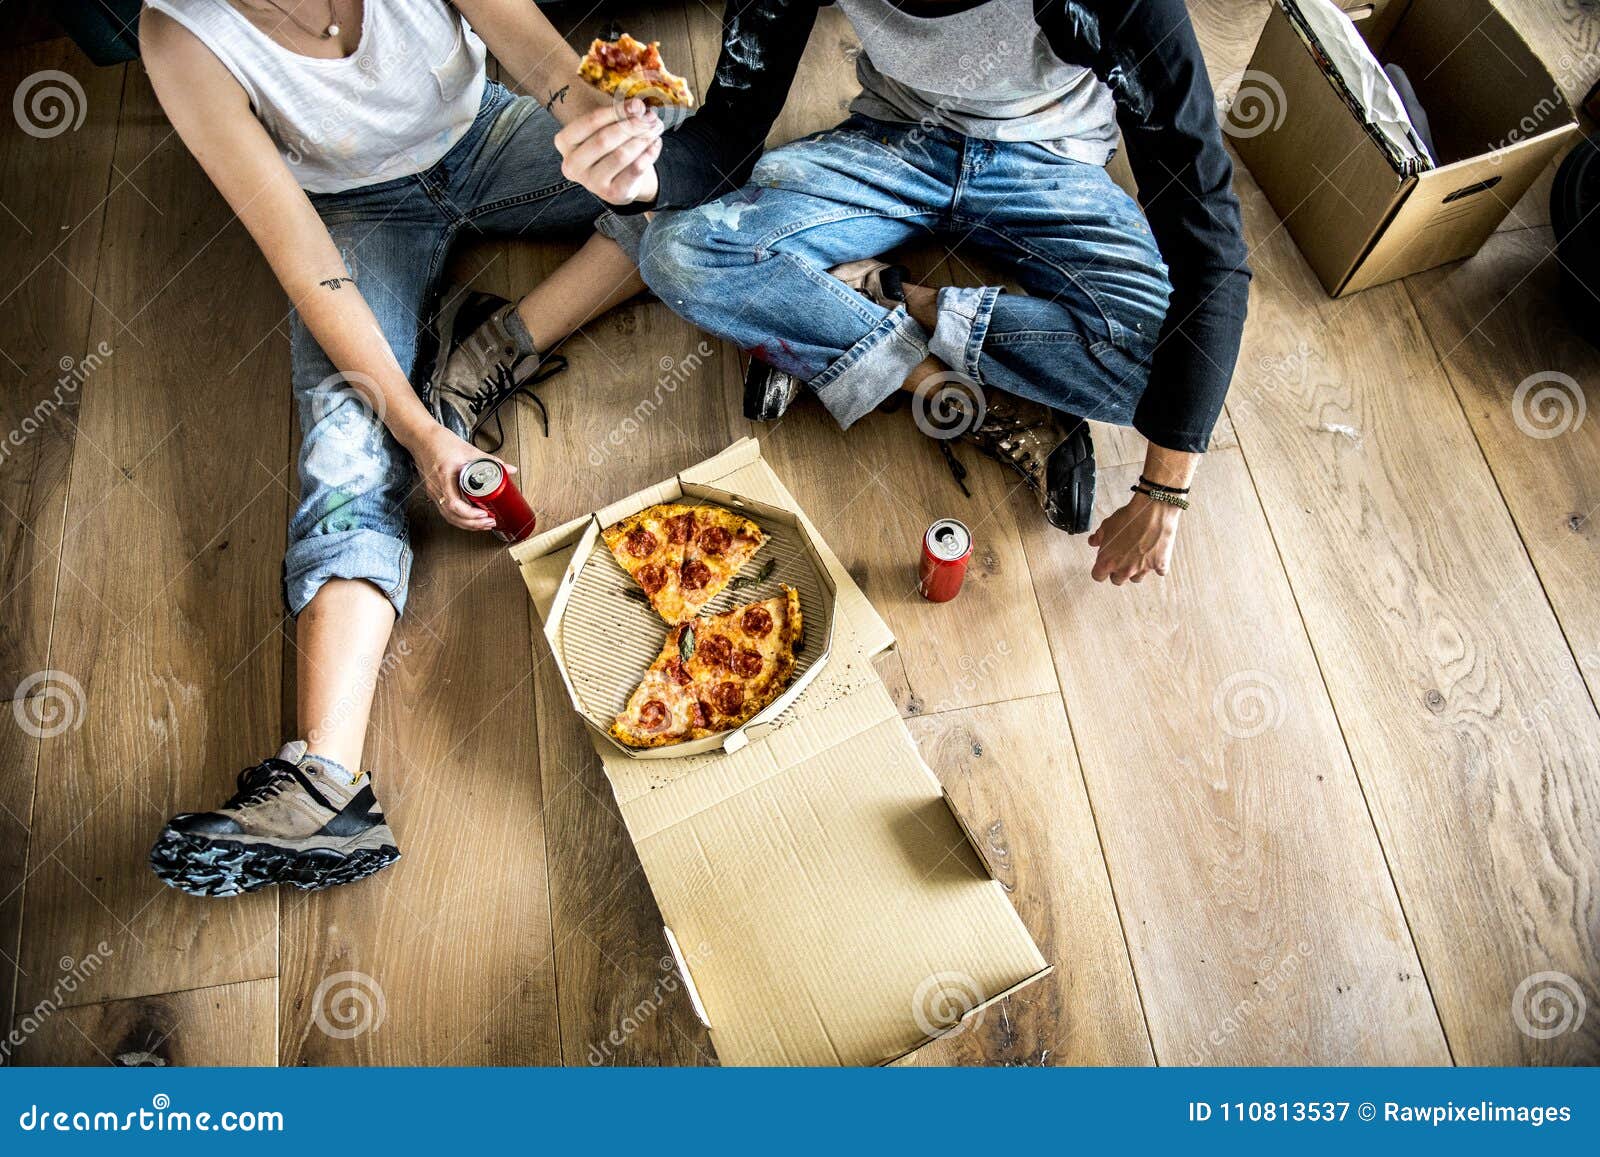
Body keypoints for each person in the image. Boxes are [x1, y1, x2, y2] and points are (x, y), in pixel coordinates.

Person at [140, 0, 651, 896]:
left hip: (489, 135)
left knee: (696, 180)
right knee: (345, 440)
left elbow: (543, 63)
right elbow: (307, 260)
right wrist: (420, 433)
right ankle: (324, 788)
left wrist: (603, 135)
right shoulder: (179, 34)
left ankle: (496, 349)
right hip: (350, 213)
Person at [555, 0, 1251, 586]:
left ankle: (871, 301)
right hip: (895, 140)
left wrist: (1165, 488)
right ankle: (969, 394)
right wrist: (645, 176)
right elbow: (728, 132)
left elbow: (1209, 241)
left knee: (1164, 379)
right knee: (678, 251)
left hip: (1053, 162)